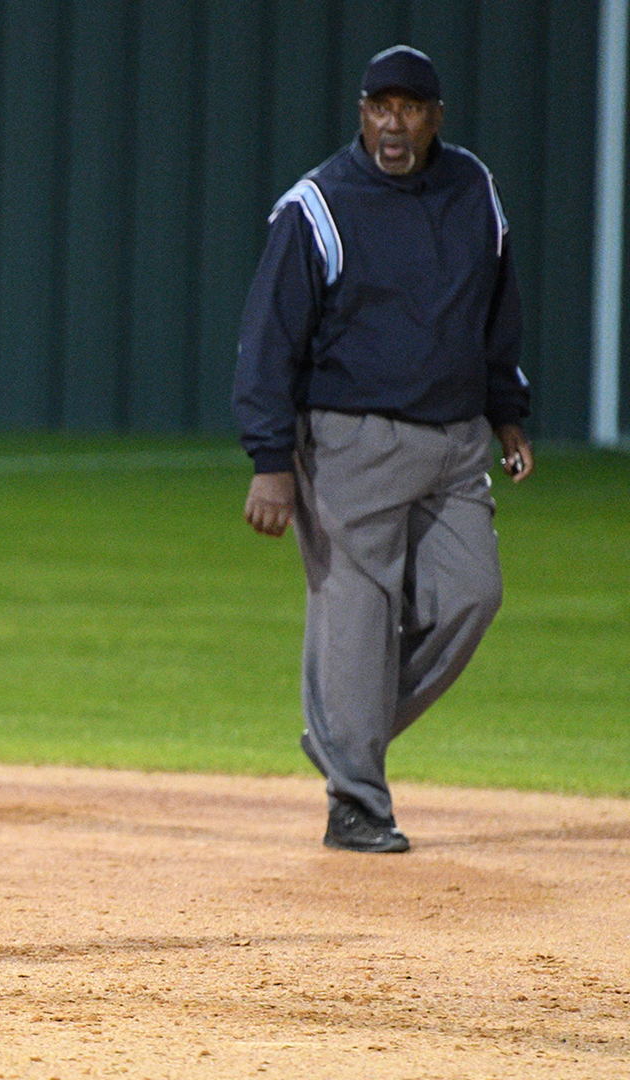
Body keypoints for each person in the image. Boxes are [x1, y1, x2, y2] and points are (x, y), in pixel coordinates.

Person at [233, 45, 533, 854]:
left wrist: (508, 411)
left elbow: (495, 307)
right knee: (357, 622)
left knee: (472, 595)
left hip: (455, 440)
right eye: (378, 106)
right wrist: (269, 462)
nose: (392, 122)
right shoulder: (318, 205)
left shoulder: (474, 189)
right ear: (361, 113)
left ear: (437, 117)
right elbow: (268, 341)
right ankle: (356, 799)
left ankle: (343, 735)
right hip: (347, 445)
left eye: (409, 108)